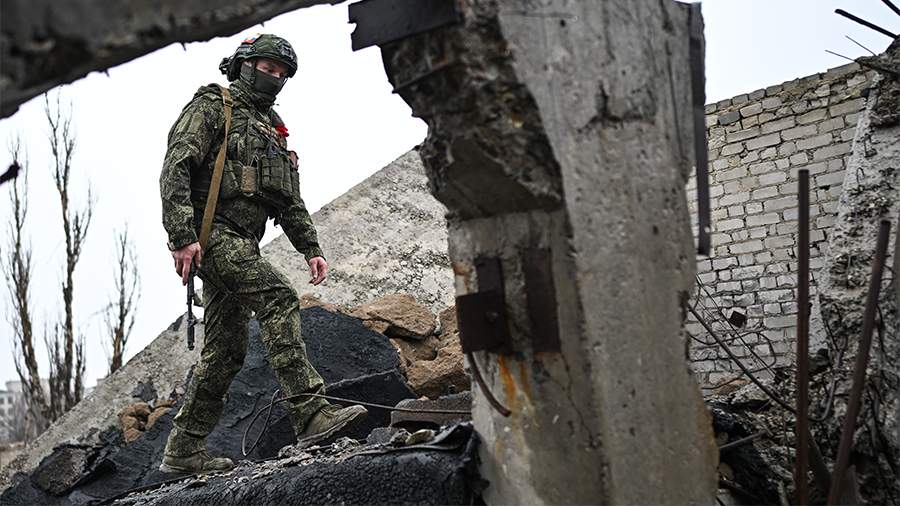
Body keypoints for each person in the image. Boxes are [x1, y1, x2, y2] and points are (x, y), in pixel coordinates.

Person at [158, 34, 366, 474]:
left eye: (281, 73)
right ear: (243, 65)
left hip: (241, 242)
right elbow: (177, 164)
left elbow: (289, 199)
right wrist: (181, 236)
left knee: (226, 351)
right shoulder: (215, 106)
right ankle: (310, 414)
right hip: (213, 235)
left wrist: (310, 248)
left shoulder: (273, 128)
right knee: (278, 297)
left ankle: (181, 451)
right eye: (266, 67)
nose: (273, 77)